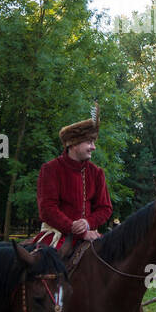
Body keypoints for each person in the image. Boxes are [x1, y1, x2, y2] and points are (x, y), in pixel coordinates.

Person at [36, 105, 112, 252]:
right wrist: (74, 228)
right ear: (74, 144)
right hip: (57, 235)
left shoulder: (96, 173)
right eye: (89, 142)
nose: (93, 147)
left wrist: (87, 223)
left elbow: (105, 208)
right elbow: (47, 209)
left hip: (90, 235)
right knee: (48, 271)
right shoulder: (51, 169)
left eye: (93, 142)